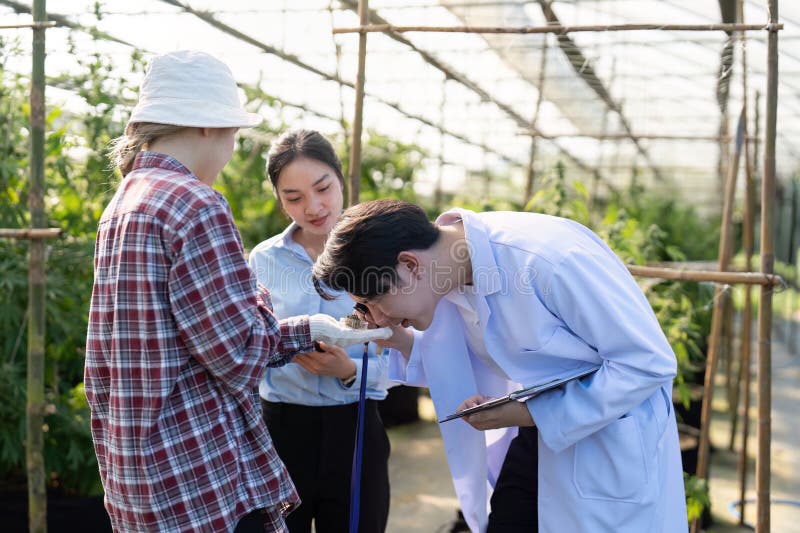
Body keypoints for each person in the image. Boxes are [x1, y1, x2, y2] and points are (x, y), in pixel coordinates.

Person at [84, 51, 389, 533]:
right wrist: (295, 323)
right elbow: (238, 353)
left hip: (140, 474)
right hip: (197, 472)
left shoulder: (124, 202)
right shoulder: (195, 203)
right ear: (207, 126)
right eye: (231, 134)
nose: (229, 149)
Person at [312, 199, 688, 533]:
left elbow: (646, 362)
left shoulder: (548, 260)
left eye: (373, 301)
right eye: (363, 307)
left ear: (410, 264)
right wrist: (398, 339)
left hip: (609, 437)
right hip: (541, 436)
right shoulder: (452, 273)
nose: (376, 315)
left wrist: (530, 412)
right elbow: (462, 358)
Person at [248, 129, 391, 533]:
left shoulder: (377, 255)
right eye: (293, 197)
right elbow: (249, 340)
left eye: (322, 187)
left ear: (340, 178)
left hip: (355, 427)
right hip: (281, 430)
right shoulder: (264, 259)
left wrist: (348, 372)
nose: (312, 206)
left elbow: (400, 354)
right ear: (279, 199)